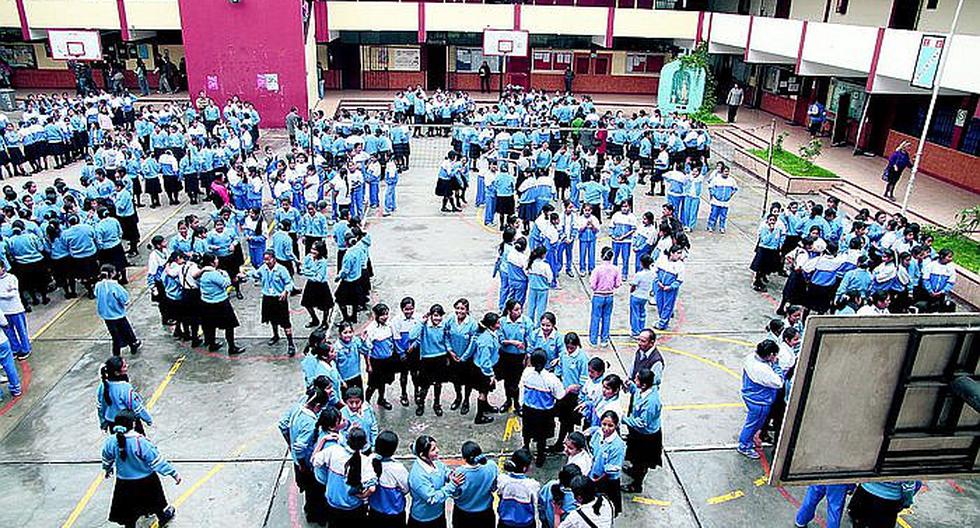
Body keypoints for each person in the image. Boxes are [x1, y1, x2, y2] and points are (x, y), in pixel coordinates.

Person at [101, 409, 181, 528]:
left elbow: (106, 458)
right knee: (155, 502)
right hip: (146, 480)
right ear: (133, 424)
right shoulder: (140, 442)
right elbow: (157, 461)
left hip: (124, 482)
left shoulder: (111, 441)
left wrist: (107, 469)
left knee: (129, 510)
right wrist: (174, 474)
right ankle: (163, 517)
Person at [312, 427, 377, 522]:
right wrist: (362, 496)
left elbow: (314, 461)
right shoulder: (365, 461)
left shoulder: (333, 451)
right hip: (353, 505)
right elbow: (372, 488)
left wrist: (323, 440)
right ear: (364, 444)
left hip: (333, 503)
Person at [737, 340, 784, 459]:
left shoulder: (750, 358)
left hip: (750, 395)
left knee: (753, 423)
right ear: (771, 355)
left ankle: (747, 441)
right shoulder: (763, 370)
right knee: (753, 424)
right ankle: (744, 446)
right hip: (760, 401)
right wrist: (776, 366)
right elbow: (779, 383)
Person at [520, 348, 567, 467]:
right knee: (541, 436)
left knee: (527, 431)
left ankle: (526, 448)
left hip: (528, 409)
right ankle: (540, 456)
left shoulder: (526, 373)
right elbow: (560, 395)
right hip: (544, 413)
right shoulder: (551, 379)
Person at [407, 435, 463, 528]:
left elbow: (444, 470)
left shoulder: (435, 461)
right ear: (422, 455)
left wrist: (450, 475)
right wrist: (452, 485)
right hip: (424, 520)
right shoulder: (418, 476)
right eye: (433, 449)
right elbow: (432, 498)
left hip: (438, 514)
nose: (438, 450)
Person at [621, 368, 662, 493]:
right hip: (638, 434)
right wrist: (631, 386)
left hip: (647, 438)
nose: (635, 380)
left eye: (637, 379)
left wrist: (624, 419)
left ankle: (636, 485)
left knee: (641, 462)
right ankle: (633, 470)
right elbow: (636, 392)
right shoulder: (643, 390)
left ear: (644, 384)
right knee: (634, 458)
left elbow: (642, 423)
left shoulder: (651, 402)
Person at [251, 250, 297, 356]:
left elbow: (289, 283)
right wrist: (245, 274)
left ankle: (290, 343)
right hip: (268, 298)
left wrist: (285, 291)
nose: (266, 262)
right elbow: (255, 274)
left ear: (274, 259)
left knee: (285, 322)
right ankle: (275, 335)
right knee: (272, 319)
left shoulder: (281, 269)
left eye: (268, 259)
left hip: (279, 299)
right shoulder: (263, 268)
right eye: (265, 259)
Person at [95, 265, 142, 356]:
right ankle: (133, 344)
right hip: (118, 314)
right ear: (112, 273)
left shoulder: (98, 285)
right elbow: (125, 300)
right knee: (127, 331)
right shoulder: (115, 286)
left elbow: (96, 295)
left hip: (106, 316)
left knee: (115, 336)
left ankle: (116, 354)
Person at [587, 410, 625, 516]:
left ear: (616, 426)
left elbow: (611, 470)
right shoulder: (598, 434)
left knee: (606, 507)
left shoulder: (618, 446)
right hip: (594, 474)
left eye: (610, 425)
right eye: (604, 424)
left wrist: (595, 481)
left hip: (606, 481)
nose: (606, 429)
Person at [452, 440, 498, 528]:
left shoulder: (459, 473)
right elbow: (494, 488)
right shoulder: (492, 466)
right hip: (485, 513)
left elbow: (455, 494)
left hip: (463, 515)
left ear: (464, 458)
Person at [368, 430, 410, 528]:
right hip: (394, 513)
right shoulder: (398, 468)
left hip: (375, 510)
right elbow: (406, 489)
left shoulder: (370, 459)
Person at [848, 480, 921, 528]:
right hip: (889, 501)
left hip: (864, 493)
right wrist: (907, 502)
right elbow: (908, 486)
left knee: (859, 523)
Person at [497, 449, 540, 528]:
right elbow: (535, 503)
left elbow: (499, 493)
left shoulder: (502, 480)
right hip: (526, 524)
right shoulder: (532, 485)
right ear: (524, 468)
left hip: (505, 522)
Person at [588, 247, 621, 347]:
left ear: (602, 256)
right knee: (607, 318)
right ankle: (604, 340)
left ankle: (593, 340)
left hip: (598, 295)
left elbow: (592, 285)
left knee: (595, 318)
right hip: (609, 295)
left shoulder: (597, 269)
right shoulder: (616, 269)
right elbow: (618, 284)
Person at [653, 244, 685, 330]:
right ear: (671, 253)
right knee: (660, 303)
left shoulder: (680, 265)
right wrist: (658, 282)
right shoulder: (662, 260)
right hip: (659, 286)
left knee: (668, 305)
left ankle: (663, 323)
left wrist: (670, 287)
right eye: (678, 253)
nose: (680, 255)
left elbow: (679, 280)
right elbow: (655, 271)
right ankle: (661, 319)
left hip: (670, 289)